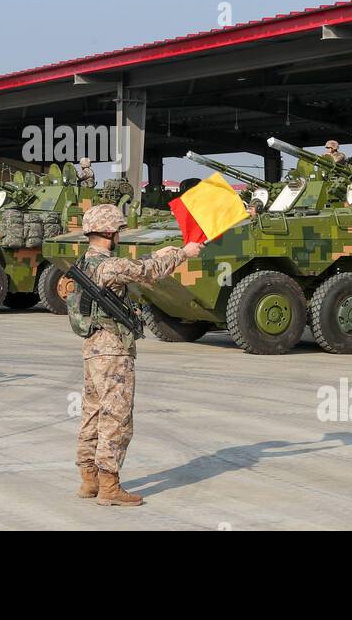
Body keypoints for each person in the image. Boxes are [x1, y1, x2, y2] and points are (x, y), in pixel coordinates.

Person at [68, 203, 202, 507]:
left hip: (93, 347)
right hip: (114, 349)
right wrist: (183, 253)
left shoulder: (86, 263)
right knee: (116, 415)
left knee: (92, 411)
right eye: (118, 230)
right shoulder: (110, 265)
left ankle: (88, 479)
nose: (119, 235)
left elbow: (138, 264)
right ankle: (109, 486)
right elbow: (145, 272)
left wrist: (163, 251)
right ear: (109, 232)